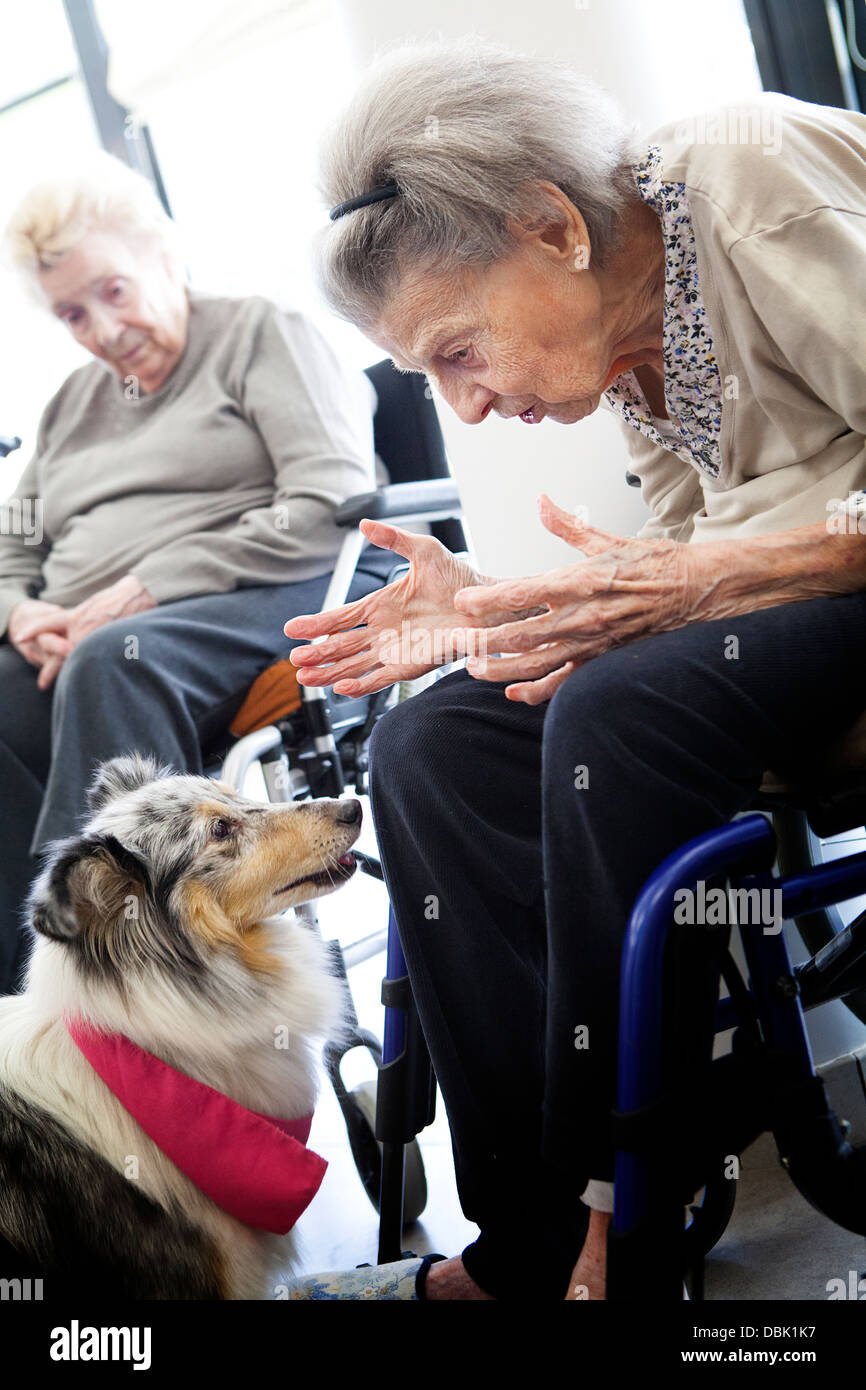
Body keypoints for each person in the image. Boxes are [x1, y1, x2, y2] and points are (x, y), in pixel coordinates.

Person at [281, 38, 866, 1300]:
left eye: (456, 351)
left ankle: (626, 1227)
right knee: (430, 742)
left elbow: (704, 575)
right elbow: (676, 552)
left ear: (550, 226)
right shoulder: (630, 335)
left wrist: (703, 585)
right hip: (784, 615)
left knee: (617, 701)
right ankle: (534, 1247)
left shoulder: (748, 180)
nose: (469, 408)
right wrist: (497, 611)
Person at [0, 153, 390, 995]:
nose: (103, 330)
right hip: (101, 630)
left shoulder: (259, 334)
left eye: (113, 290)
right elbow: (14, 540)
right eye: (72, 313)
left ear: (163, 255)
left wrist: (147, 586)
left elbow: (326, 498)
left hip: (274, 592)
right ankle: (28, 989)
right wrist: (19, 610)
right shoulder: (73, 403)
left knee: (115, 657)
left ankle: (140, 971)